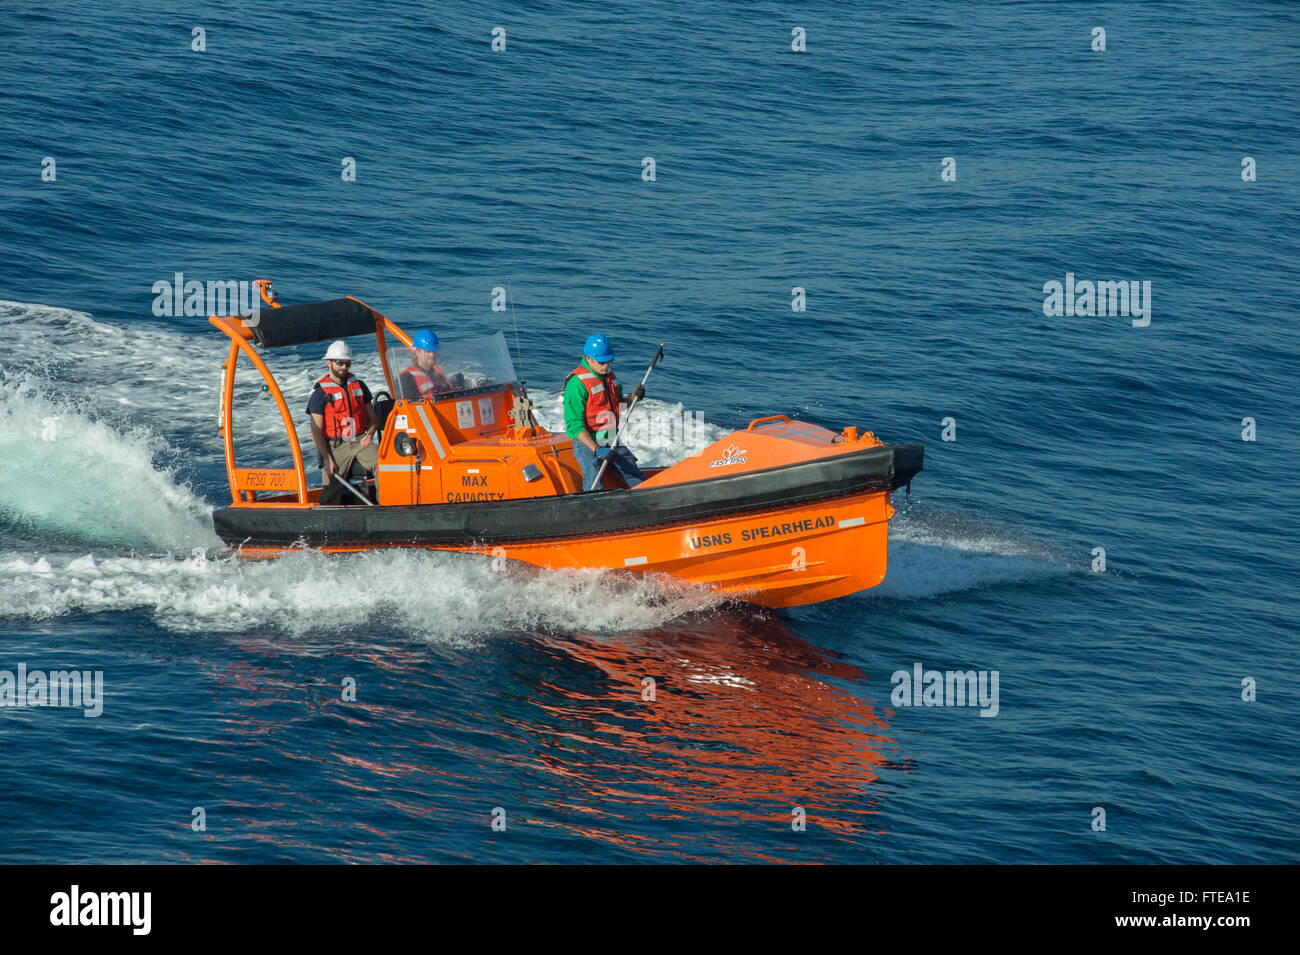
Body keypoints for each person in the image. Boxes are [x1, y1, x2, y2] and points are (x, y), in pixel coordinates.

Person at [564, 333, 647, 491]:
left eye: (609, 361)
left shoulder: (609, 377)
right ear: (588, 359)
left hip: (610, 436)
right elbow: (574, 426)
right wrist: (596, 449)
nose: (606, 366)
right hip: (587, 442)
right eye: (602, 362)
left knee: (631, 470)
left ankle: (649, 497)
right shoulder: (577, 384)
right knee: (594, 480)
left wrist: (633, 398)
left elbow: (619, 405)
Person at [307, 340, 379, 499]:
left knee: (384, 465)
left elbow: (373, 418)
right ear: (329, 363)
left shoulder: (359, 386)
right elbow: (315, 431)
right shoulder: (320, 394)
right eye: (340, 363)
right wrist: (327, 458)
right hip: (336, 445)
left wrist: (370, 434)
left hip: (360, 440)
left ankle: (387, 506)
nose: (344, 367)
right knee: (332, 486)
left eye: (347, 363)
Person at [398, 329, 452, 400]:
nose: (432, 354)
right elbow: (410, 407)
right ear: (418, 352)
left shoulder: (440, 376)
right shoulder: (406, 378)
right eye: (428, 351)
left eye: (434, 351)